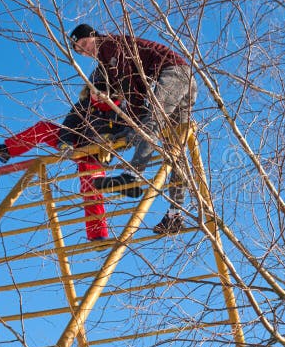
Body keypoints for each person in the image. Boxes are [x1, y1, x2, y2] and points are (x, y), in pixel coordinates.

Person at [68, 23, 197, 235]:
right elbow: (134, 87)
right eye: (80, 51)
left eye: (84, 43)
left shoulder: (109, 46)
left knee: (153, 121)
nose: (85, 51)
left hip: (173, 73)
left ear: (94, 35)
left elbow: (130, 85)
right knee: (175, 151)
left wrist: (136, 124)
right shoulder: (107, 55)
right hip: (181, 79)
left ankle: (132, 176)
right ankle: (176, 214)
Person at [0, 69, 129, 242]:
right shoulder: (84, 105)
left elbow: (126, 131)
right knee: (44, 128)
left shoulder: (118, 108)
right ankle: (7, 150)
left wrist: (112, 142)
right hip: (76, 144)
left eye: (102, 91)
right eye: (94, 91)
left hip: (97, 154)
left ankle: (98, 234)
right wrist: (65, 142)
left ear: (111, 91)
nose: (98, 95)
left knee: (92, 186)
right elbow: (68, 125)